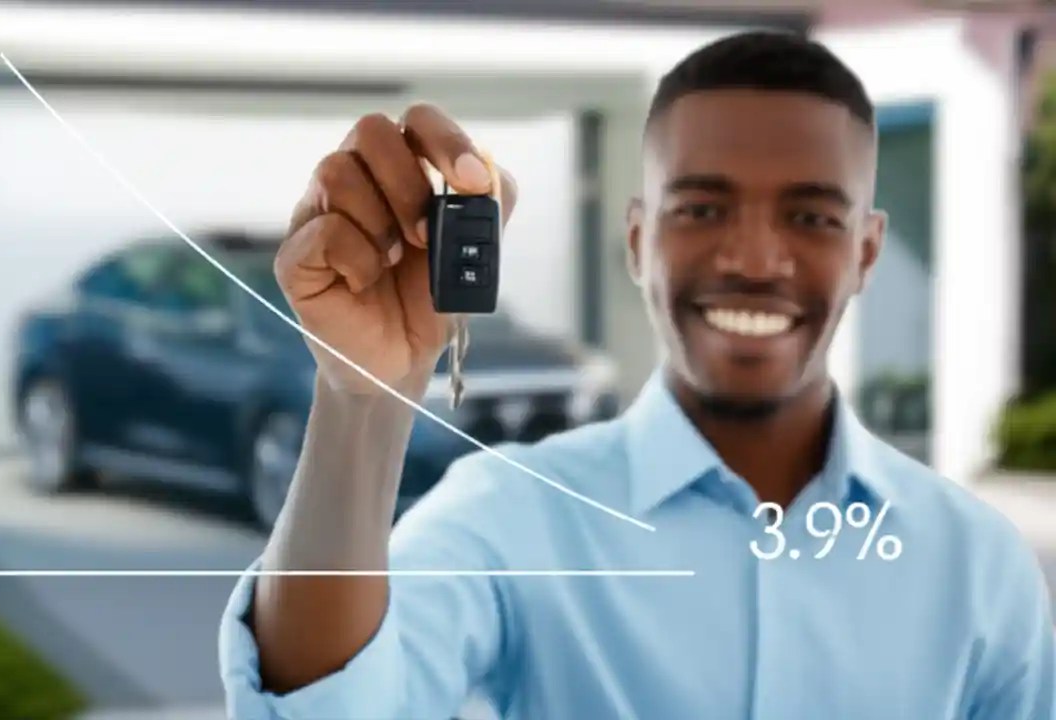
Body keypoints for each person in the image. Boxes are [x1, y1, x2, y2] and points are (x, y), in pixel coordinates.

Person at [219, 30, 1055, 720]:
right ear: (636, 238)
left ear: (866, 250)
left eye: (810, 216)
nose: (753, 259)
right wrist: (360, 402)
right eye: (701, 208)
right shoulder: (508, 517)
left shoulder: (979, 569)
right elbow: (324, 708)